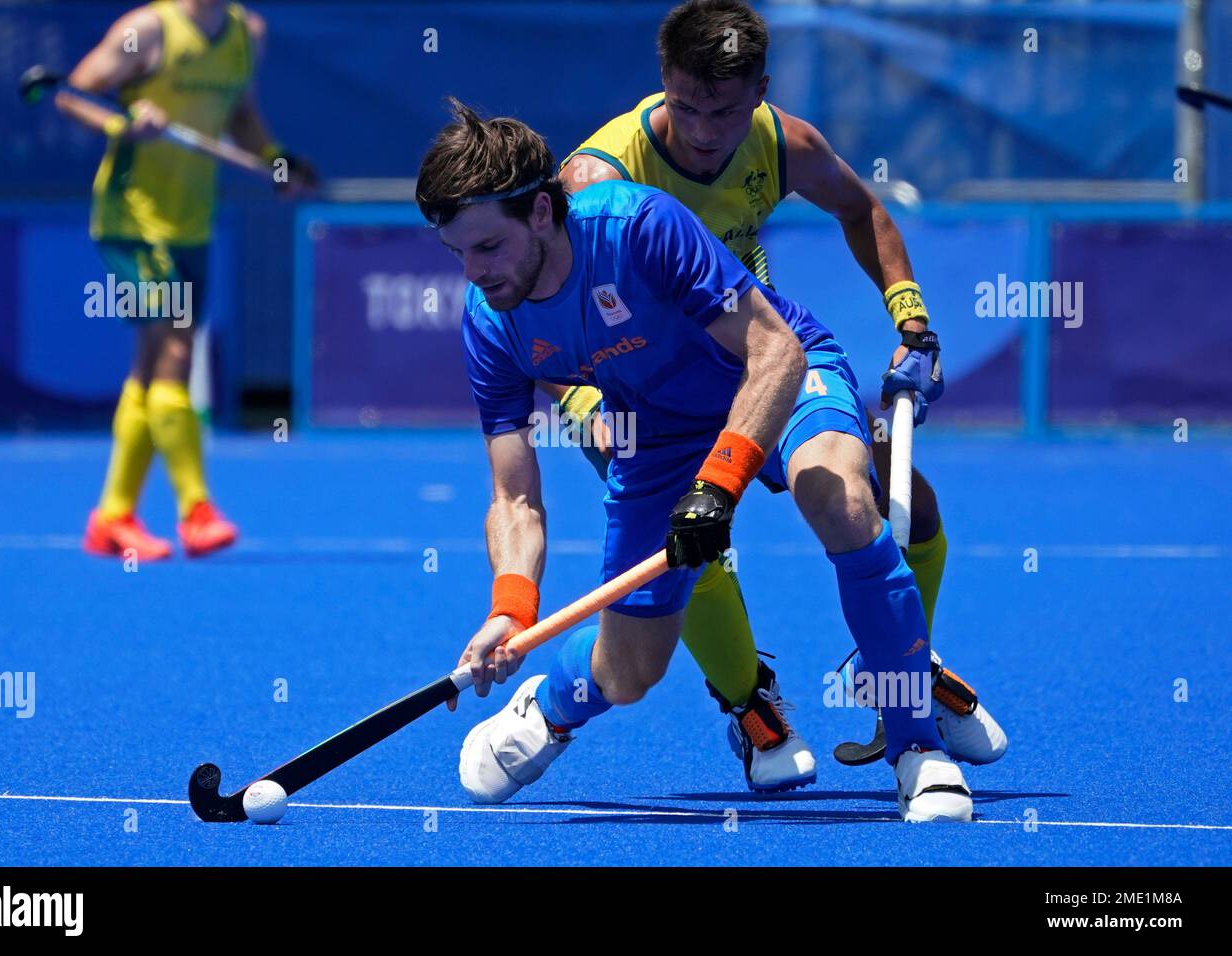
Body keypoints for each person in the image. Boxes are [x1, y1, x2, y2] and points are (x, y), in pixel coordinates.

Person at [417, 100, 974, 821]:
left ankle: (915, 748)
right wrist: (510, 608)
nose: (474, 272)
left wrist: (717, 486)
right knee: (629, 671)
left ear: (543, 215)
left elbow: (773, 352)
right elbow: (515, 497)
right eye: (456, 253)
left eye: (487, 247)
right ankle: (551, 700)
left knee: (837, 495)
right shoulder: (491, 322)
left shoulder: (637, 227)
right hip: (658, 428)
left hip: (777, 376)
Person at [57, 0, 315, 560]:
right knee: (174, 342)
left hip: (192, 221)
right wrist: (124, 123)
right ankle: (195, 510)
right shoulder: (145, 32)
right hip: (133, 220)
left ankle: (112, 516)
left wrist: (274, 160)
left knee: (151, 362)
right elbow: (72, 92)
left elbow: (240, 111)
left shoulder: (247, 34)